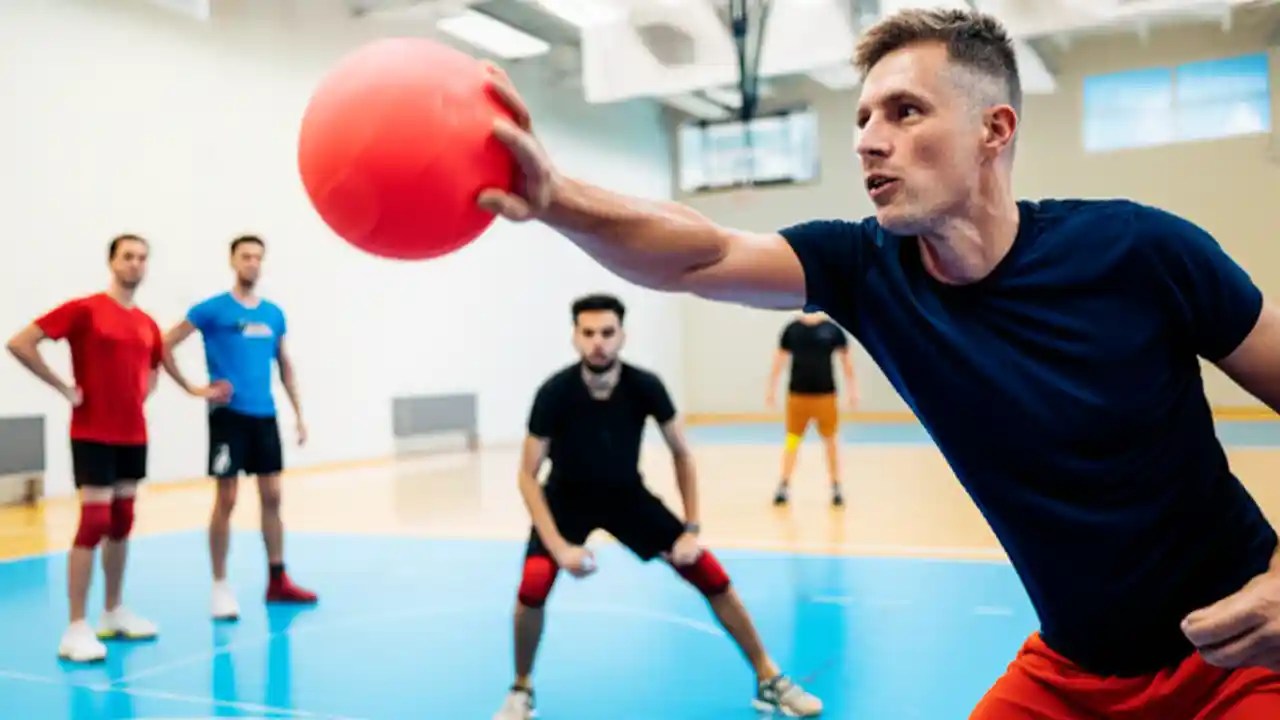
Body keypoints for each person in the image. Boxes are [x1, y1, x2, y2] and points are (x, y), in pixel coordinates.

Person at [474, 7, 1280, 718]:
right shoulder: (865, 270)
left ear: (993, 130)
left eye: (904, 111)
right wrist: (558, 201)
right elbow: (700, 254)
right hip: (1072, 670)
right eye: (863, 117)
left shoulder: (1140, 251)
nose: (867, 139)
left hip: (1240, 658)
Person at [492, 294, 823, 720]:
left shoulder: (644, 385)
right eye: (588, 333)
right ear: (575, 336)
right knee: (533, 584)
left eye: (607, 333)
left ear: (622, 335)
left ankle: (769, 679)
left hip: (627, 498)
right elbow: (526, 475)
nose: (598, 342)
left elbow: (682, 453)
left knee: (710, 573)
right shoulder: (554, 392)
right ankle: (521, 690)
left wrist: (690, 528)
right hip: (565, 501)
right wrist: (557, 547)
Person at [5, 235, 218, 662]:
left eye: (142, 258)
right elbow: (20, 342)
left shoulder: (146, 323)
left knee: (122, 520)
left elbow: (157, 367)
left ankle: (113, 611)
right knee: (94, 521)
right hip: (92, 433)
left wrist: (170, 392)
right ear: (112, 262)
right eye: (128, 257)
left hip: (133, 434)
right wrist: (64, 387)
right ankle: (75, 627)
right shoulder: (85, 310)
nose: (135, 264)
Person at [162, 234, 316, 620]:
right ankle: (220, 586)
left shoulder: (274, 314)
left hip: (264, 415)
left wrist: (298, 413)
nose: (252, 263)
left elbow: (284, 364)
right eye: (245, 256)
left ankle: (278, 579)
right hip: (228, 417)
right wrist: (193, 388)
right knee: (227, 499)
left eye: (258, 257)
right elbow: (162, 344)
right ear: (232, 261)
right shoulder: (211, 310)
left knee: (273, 496)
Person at [765, 311, 856, 507]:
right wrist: (771, 388)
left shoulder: (832, 329)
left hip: (825, 396)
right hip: (797, 397)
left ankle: (836, 486)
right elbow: (779, 360)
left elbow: (846, 360)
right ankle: (784, 485)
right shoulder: (792, 329)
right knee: (792, 441)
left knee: (831, 441)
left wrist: (853, 390)